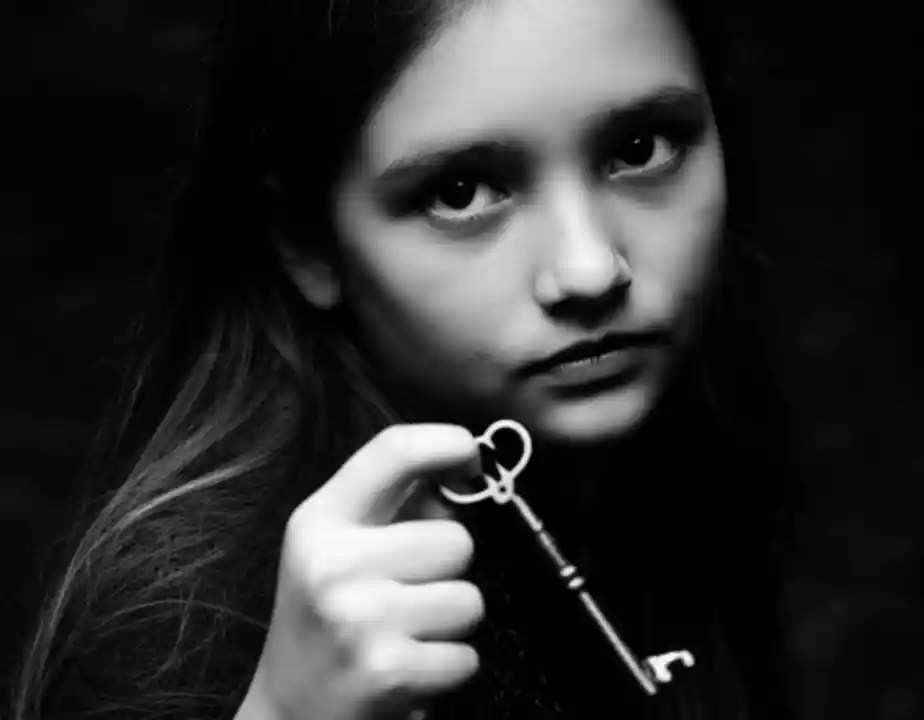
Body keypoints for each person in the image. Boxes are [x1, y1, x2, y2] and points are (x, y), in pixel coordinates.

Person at [13, 0, 806, 718]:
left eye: (642, 147)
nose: (591, 269)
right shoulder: (195, 627)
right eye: (461, 192)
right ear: (307, 242)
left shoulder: (696, 453)